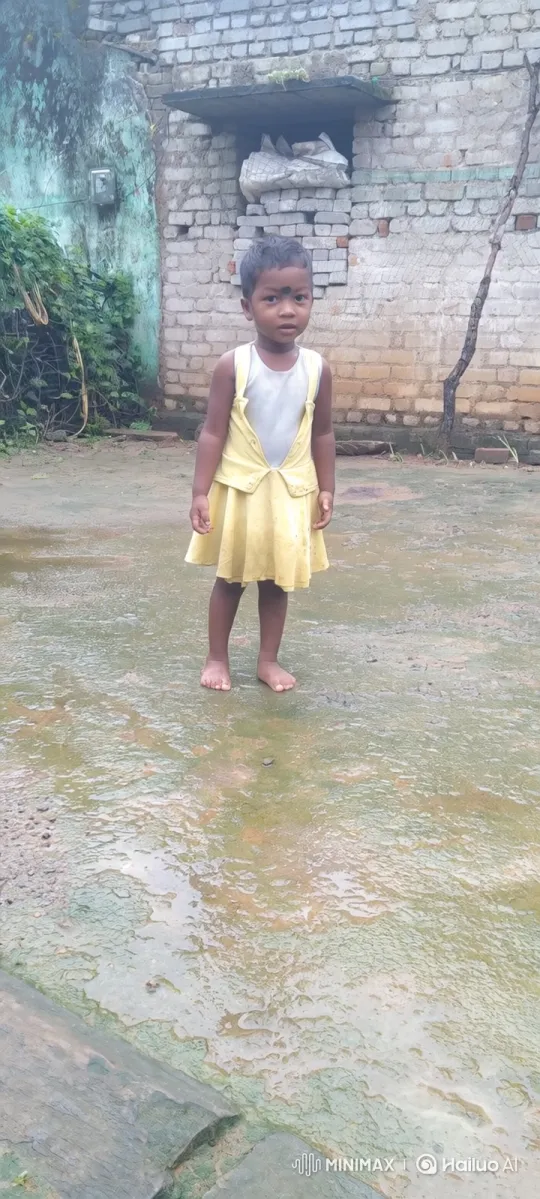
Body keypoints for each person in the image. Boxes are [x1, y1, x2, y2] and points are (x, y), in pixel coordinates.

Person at [186, 235, 335, 693]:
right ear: (248, 306)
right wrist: (200, 491)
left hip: (291, 492)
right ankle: (217, 658)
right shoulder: (233, 366)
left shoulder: (317, 369)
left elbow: (323, 433)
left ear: (311, 300)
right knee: (230, 577)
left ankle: (267, 661)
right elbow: (212, 431)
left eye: (299, 297)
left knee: (276, 582)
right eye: (272, 298)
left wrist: (326, 487)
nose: (287, 310)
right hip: (242, 491)